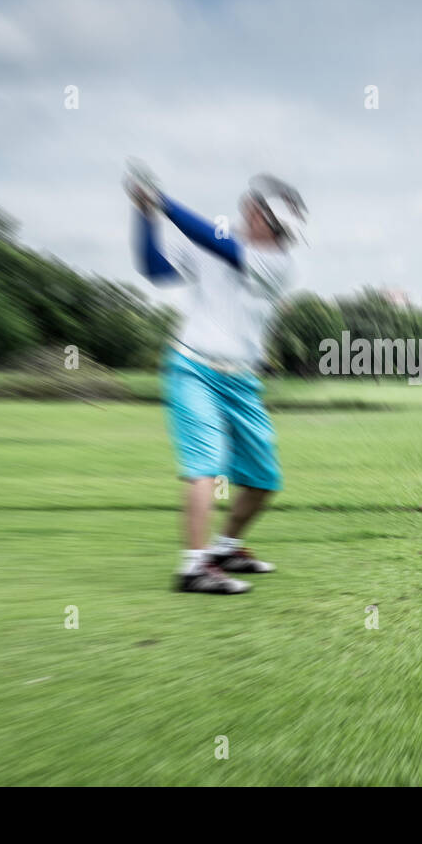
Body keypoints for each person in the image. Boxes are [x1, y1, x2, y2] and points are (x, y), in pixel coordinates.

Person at [126, 162, 306, 594]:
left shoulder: (277, 264)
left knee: (264, 478)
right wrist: (145, 215)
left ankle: (225, 547)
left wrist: (163, 202)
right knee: (204, 463)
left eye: (285, 232)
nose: (282, 238)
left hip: (243, 380)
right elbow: (154, 269)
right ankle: (193, 567)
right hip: (192, 368)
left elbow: (218, 243)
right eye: (275, 225)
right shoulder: (214, 244)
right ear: (253, 211)